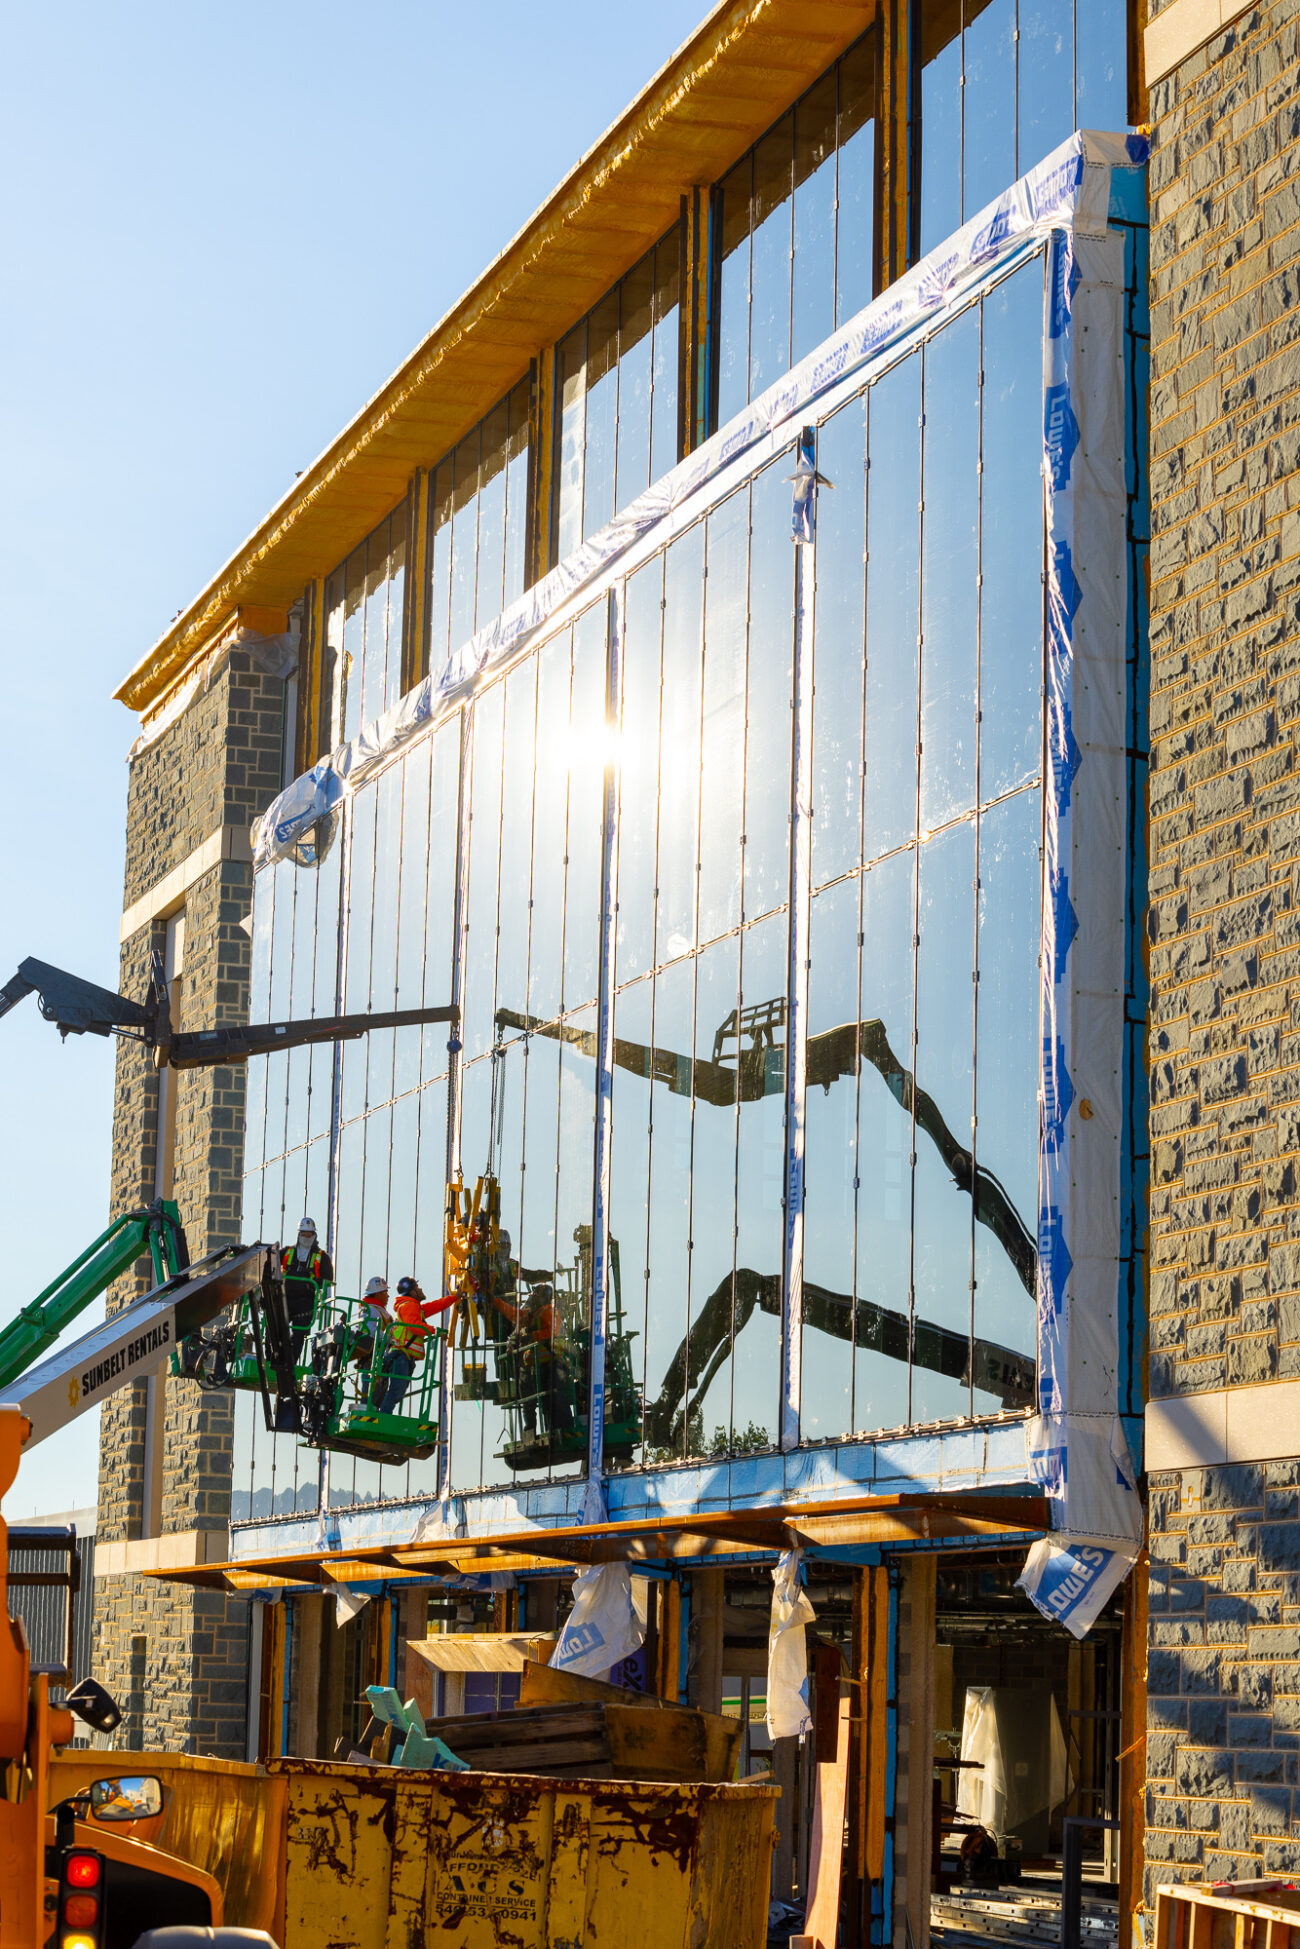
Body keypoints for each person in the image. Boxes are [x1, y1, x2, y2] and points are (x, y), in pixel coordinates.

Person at [489, 1275, 575, 1438]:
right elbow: (514, 1321)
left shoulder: (550, 1312)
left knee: (552, 1398)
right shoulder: (531, 1315)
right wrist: (511, 1342)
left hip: (551, 1364)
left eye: (536, 1294)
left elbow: (552, 1331)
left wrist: (531, 1337)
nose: (532, 1297)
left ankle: (559, 1428)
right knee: (529, 1400)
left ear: (543, 1298)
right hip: (533, 1366)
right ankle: (531, 1431)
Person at [376, 1275, 457, 1415]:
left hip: (403, 1355)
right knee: (396, 1391)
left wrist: (455, 1297)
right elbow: (414, 1326)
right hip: (400, 1355)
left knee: (397, 1391)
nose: (420, 1289)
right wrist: (434, 1331)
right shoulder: (409, 1306)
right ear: (412, 1292)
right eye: (417, 1287)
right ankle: (383, 1416)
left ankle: (383, 1414)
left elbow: (435, 1306)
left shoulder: (414, 1307)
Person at [280, 1218, 333, 1363]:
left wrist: (311, 1284)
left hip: (305, 1302)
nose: (307, 1237)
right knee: (275, 1328)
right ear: (299, 1234)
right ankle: (274, 1359)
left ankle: (290, 1363)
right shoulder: (287, 1252)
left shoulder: (322, 1257)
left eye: (310, 1234)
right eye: (304, 1233)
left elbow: (328, 1279)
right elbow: (269, 1262)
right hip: (285, 1298)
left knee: (299, 1335)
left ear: (314, 1235)